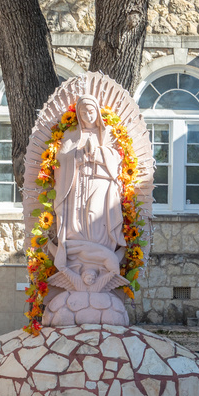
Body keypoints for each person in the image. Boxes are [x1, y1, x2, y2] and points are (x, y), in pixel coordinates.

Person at [50, 94, 126, 290]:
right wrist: (78, 155)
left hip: (100, 181)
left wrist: (98, 153)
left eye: (91, 111)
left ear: (97, 113)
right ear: (78, 115)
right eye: (83, 112)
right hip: (77, 182)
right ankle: (77, 250)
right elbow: (61, 159)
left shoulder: (106, 133)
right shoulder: (72, 134)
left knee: (95, 214)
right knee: (77, 216)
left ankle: (100, 249)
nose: (88, 115)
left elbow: (116, 158)